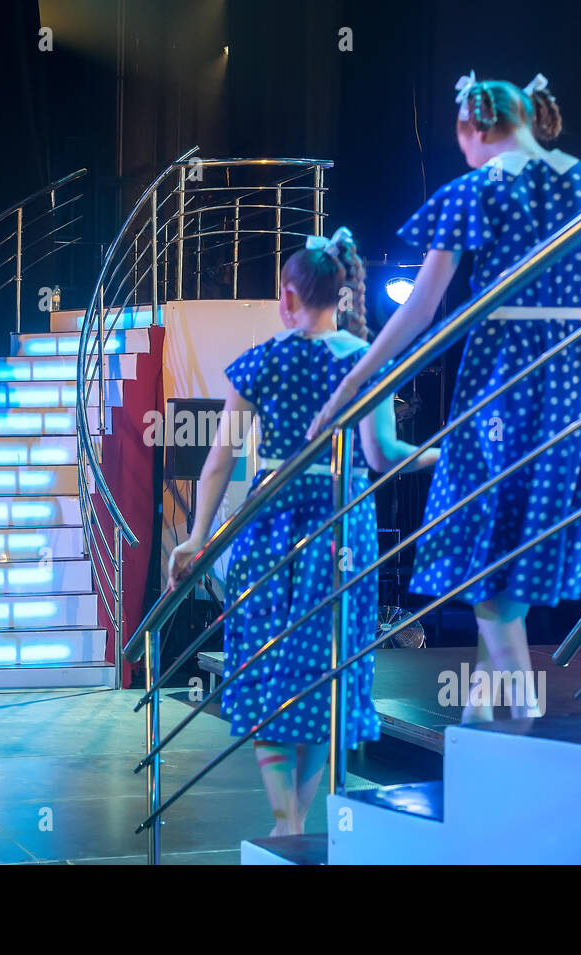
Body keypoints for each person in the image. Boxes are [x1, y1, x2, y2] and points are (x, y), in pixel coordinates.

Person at [309, 73, 581, 722]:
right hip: (576, 381)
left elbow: (419, 311)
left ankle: (519, 714)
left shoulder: (474, 190)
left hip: (503, 378)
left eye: (461, 135)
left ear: (478, 127)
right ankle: (477, 728)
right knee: (508, 570)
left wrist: (360, 380)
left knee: (491, 569)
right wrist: (563, 309)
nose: (461, 149)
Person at [169, 227, 437, 837]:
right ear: (339, 293)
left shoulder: (261, 360)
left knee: (267, 666)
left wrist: (197, 535)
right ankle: (297, 822)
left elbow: (219, 459)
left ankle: (284, 821)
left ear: (287, 296)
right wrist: (444, 456)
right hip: (340, 523)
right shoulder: (362, 359)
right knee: (324, 672)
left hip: (270, 517)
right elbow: (384, 454)